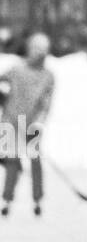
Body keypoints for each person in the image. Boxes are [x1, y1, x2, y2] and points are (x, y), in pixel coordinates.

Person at [1, 32, 56, 218]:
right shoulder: (15, 71)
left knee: (34, 159)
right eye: (36, 50)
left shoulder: (48, 76)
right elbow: (2, 86)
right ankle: (6, 198)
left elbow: (46, 104)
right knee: (12, 160)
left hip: (31, 124)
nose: (39, 55)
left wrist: (38, 122)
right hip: (9, 121)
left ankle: (37, 198)